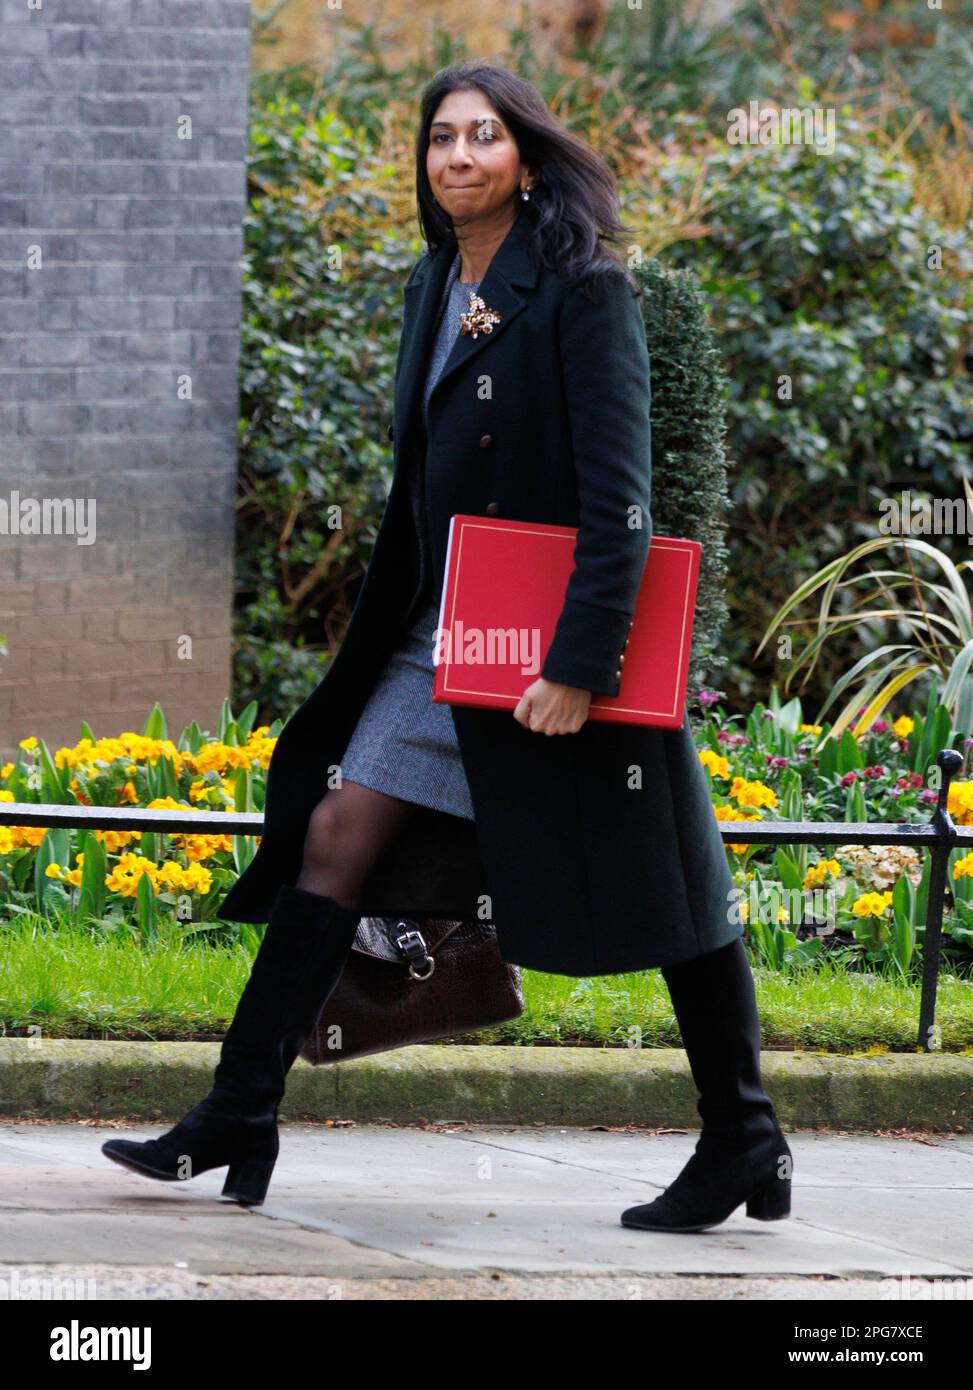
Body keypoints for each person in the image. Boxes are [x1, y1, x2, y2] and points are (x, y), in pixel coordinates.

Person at [102, 61, 792, 1232]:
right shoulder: (434, 280)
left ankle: (743, 1135)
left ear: (524, 158)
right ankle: (238, 1110)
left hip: (560, 639)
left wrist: (578, 662)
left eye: (482, 136)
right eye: (439, 138)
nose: (457, 156)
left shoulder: (584, 287)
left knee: (669, 890)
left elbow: (621, 493)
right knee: (336, 830)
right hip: (443, 634)